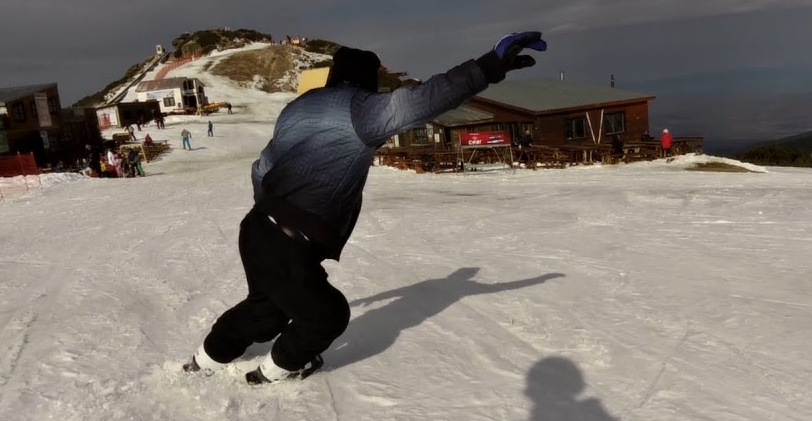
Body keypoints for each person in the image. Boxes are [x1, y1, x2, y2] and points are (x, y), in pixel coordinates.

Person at [183, 31, 548, 383]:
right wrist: (489, 66)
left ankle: (207, 358)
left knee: (267, 311)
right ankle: (276, 370)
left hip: (258, 229)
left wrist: (272, 212)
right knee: (326, 315)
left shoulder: (298, 109)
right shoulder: (362, 111)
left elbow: (262, 167)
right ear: (366, 83)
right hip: (288, 241)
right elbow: (424, 99)